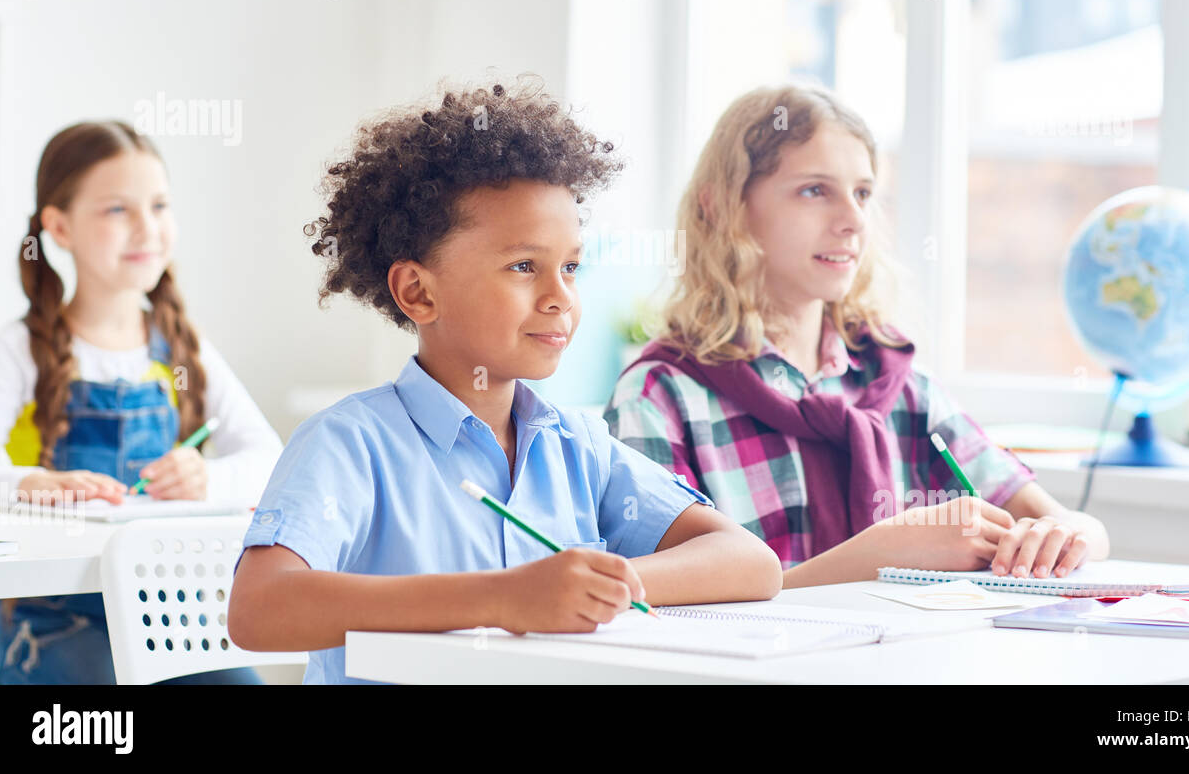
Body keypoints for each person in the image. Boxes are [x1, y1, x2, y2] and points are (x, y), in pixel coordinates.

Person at [227, 79, 782, 683]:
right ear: (418, 291)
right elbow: (261, 609)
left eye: (570, 266)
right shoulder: (349, 443)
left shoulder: (577, 446)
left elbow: (750, 562)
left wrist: (592, 591)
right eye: (524, 267)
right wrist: (501, 598)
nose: (560, 298)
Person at [605, 84, 1110, 588]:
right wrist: (882, 554)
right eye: (814, 190)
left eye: (863, 193)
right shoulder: (658, 397)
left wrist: (1065, 537)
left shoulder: (900, 384)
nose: (853, 221)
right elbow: (652, 597)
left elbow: (1075, 525)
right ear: (722, 207)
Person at [0, 120, 281, 683]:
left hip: (168, 619)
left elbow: (269, 459)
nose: (147, 229)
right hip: (54, 625)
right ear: (59, 227)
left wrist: (206, 479)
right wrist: (30, 485)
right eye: (117, 210)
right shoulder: (20, 350)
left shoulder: (185, 351)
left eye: (160, 205)